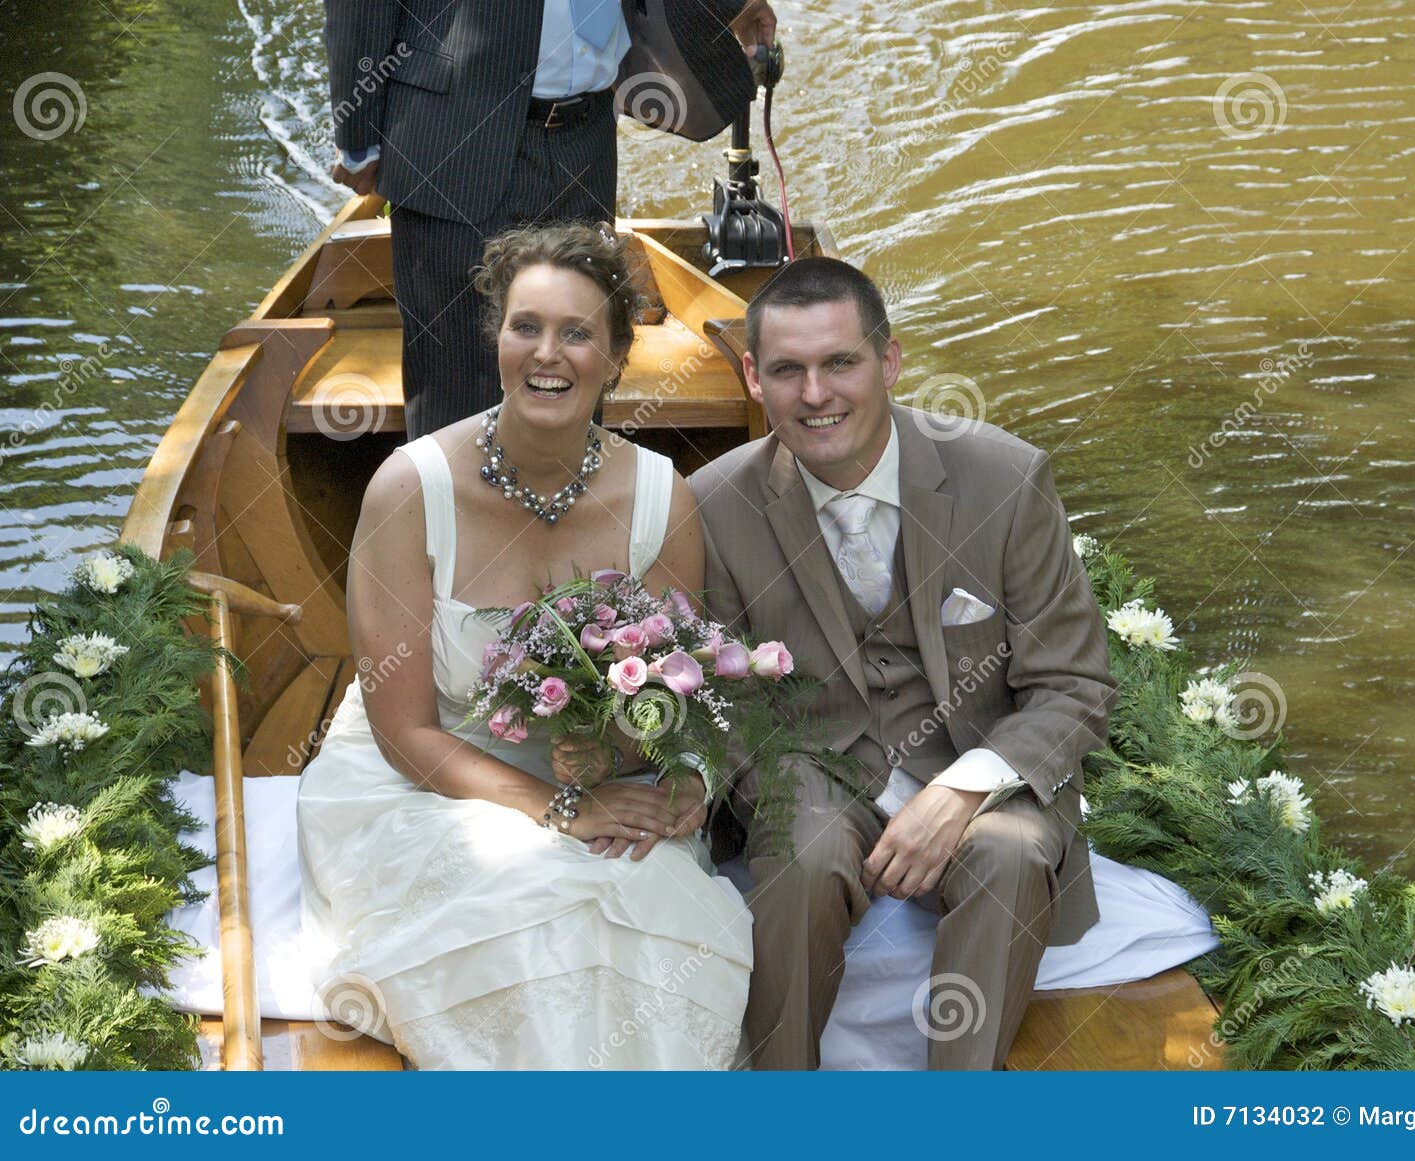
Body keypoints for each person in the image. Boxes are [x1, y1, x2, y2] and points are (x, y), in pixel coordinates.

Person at [297, 223, 752, 1069]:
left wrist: (689, 779)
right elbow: (407, 732)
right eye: (526, 326)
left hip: (611, 778)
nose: (549, 353)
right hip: (432, 785)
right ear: (496, 339)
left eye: (578, 332)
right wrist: (558, 812)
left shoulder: (662, 498)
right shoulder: (409, 489)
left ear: (616, 358)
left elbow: (681, 697)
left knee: (649, 908)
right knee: (534, 895)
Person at [688, 258, 1118, 1070]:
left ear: (888, 361)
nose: (816, 394)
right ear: (752, 376)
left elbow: (1074, 683)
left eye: (840, 362)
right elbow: (721, 705)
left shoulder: (1005, 480)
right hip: (816, 768)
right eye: (788, 369)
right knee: (803, 848)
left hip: (977, 765)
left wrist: (962, 789)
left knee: (1010, 850)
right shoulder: (712, 505)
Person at [324, 0, 777, 437]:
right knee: (456, 379)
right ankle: (452, 513)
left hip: (587, 133)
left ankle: (571, 510)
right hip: (453, 132)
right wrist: (358, 135)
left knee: (582, 358)